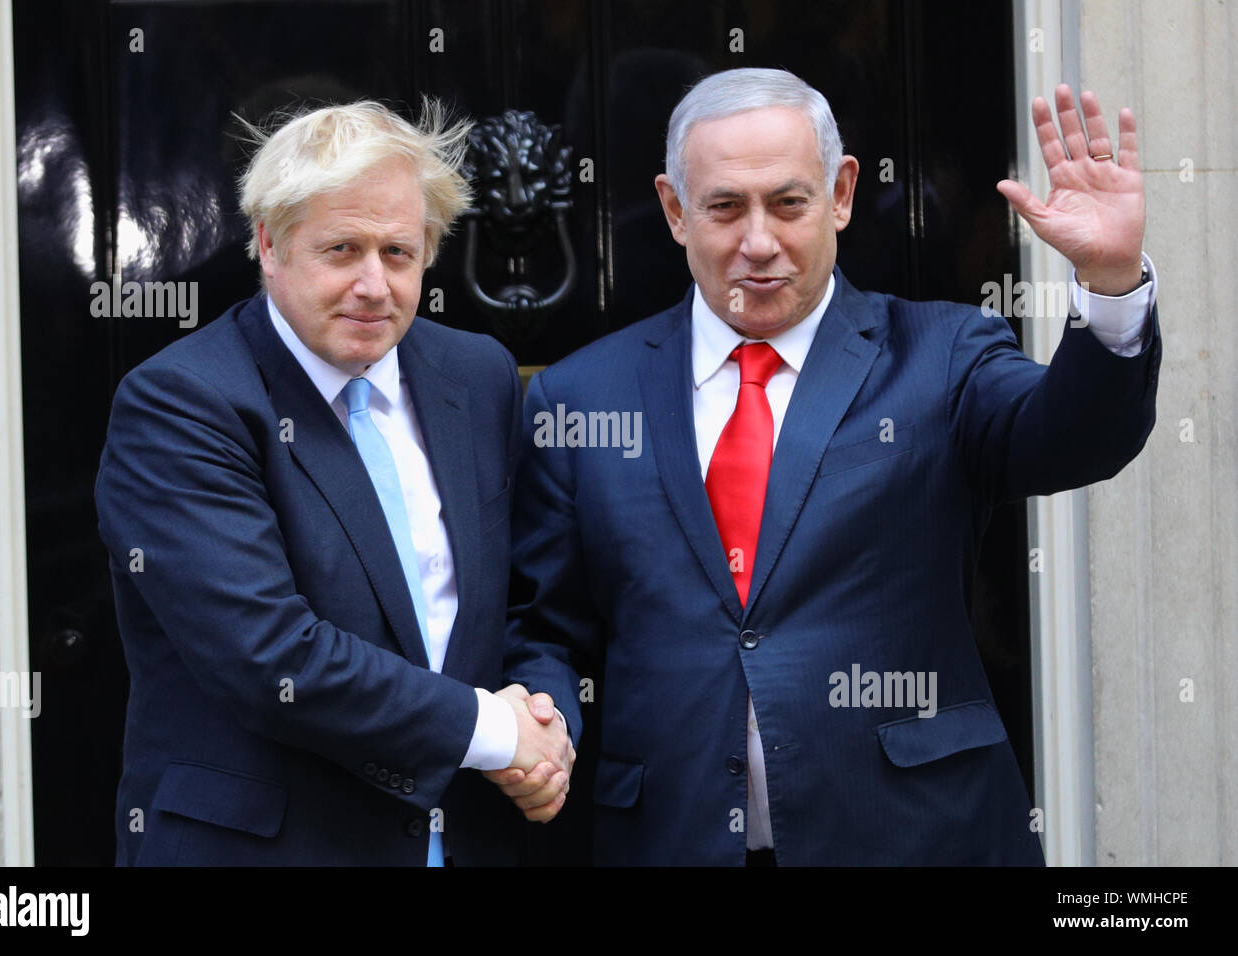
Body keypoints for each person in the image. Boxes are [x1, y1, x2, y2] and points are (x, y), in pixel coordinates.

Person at [497, 67, 1160, 864]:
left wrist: (1112, 283)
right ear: (675, 210)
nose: (759, 242)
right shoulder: (580, 396)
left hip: (917, 835)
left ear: (841, 194)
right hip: (673, 836)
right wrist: (543, 718)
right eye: (724, 207)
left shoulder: (944, 355)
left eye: (788, 202)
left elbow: (1075, 436)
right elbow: (544, 628)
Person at [96, 99, 572, 866]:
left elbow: (529, 598)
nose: (374, 285)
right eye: (342, 249)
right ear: (269, 246)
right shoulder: (182, 403)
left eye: (398, 252)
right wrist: (492, 732)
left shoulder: (476, 375)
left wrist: (548, 731)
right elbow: (269, 654)